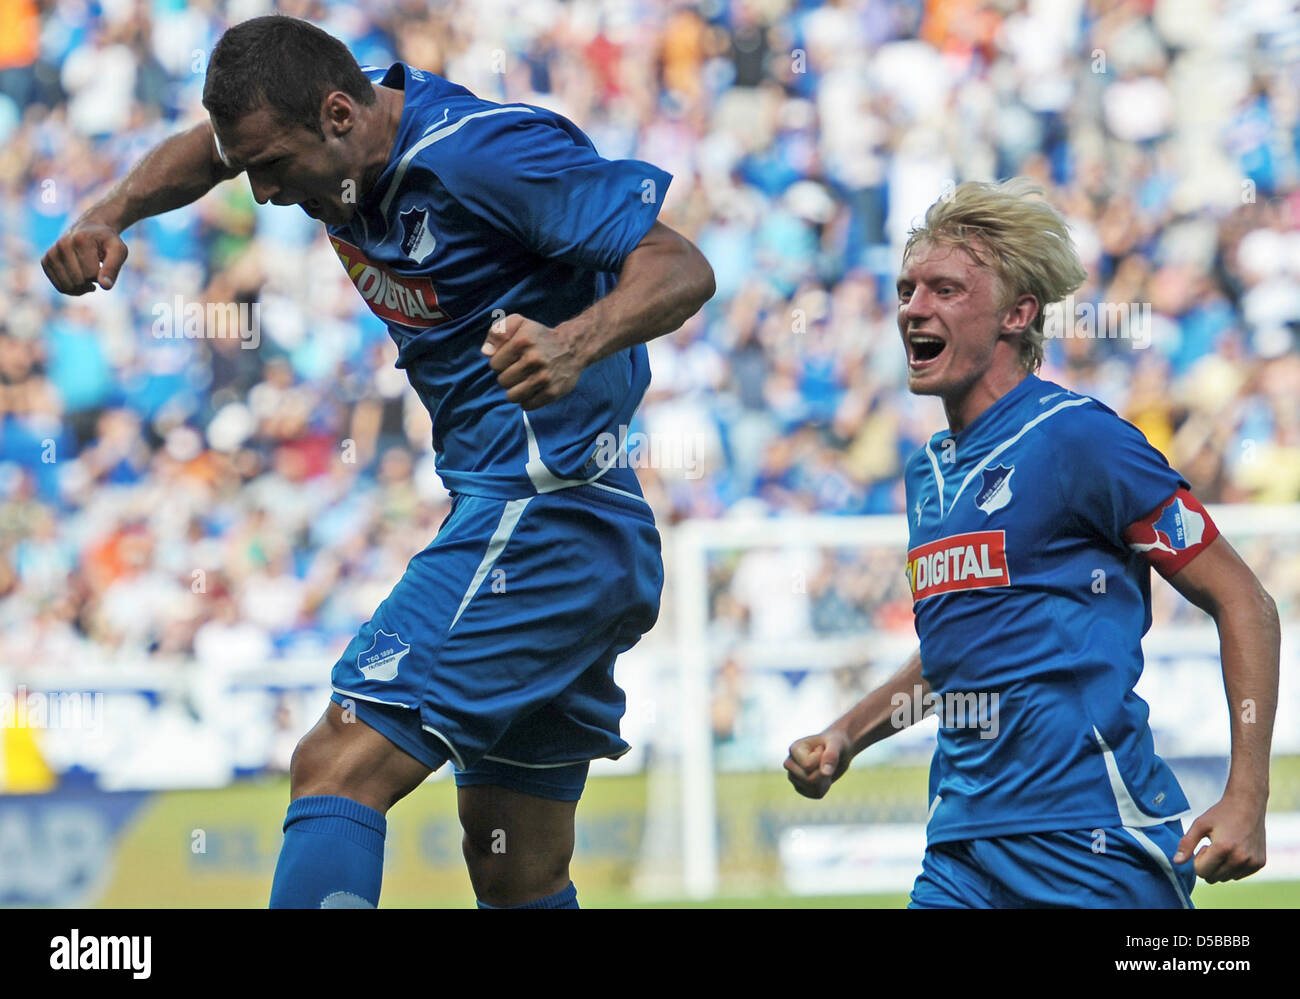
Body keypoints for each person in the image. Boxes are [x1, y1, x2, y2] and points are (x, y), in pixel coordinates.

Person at [42, 14, 714, 909]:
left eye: (274, 169)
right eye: (250, 173)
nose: (265, 196)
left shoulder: (485, 157)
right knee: (515, 868)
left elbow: (680, 262)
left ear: (339, 116)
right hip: (566, 527)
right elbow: (210, 153)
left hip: (543, 512)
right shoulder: (325, 119)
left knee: (334, 766)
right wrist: (108, 211)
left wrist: (574, 344)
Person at [784, 178, 1279, 908]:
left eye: (945, 289)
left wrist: (1248, 793)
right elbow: (961, 654)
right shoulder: (929, 475)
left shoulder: (1079, 437)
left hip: (1090, 839)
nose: (913, 308)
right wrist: (846, 734)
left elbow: (1245, 601)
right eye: (906, 289)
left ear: (1018, 314)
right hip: (959, 841)